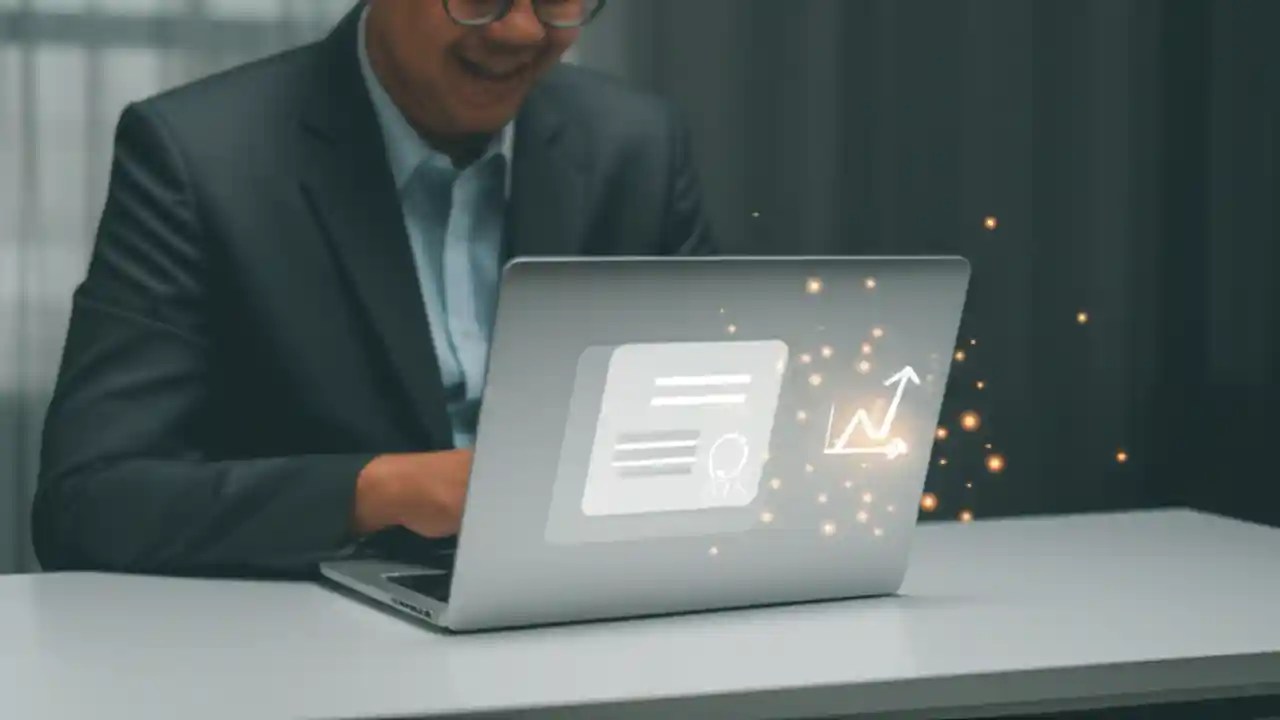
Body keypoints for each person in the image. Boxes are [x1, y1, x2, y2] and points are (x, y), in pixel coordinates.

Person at [32, 0, 715, 576]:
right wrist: (381, 491)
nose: (523, 32)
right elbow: (89, 503)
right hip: (301, 654)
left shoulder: (636, 145)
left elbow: (722, 429)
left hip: (592, 616)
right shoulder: (201, 156)